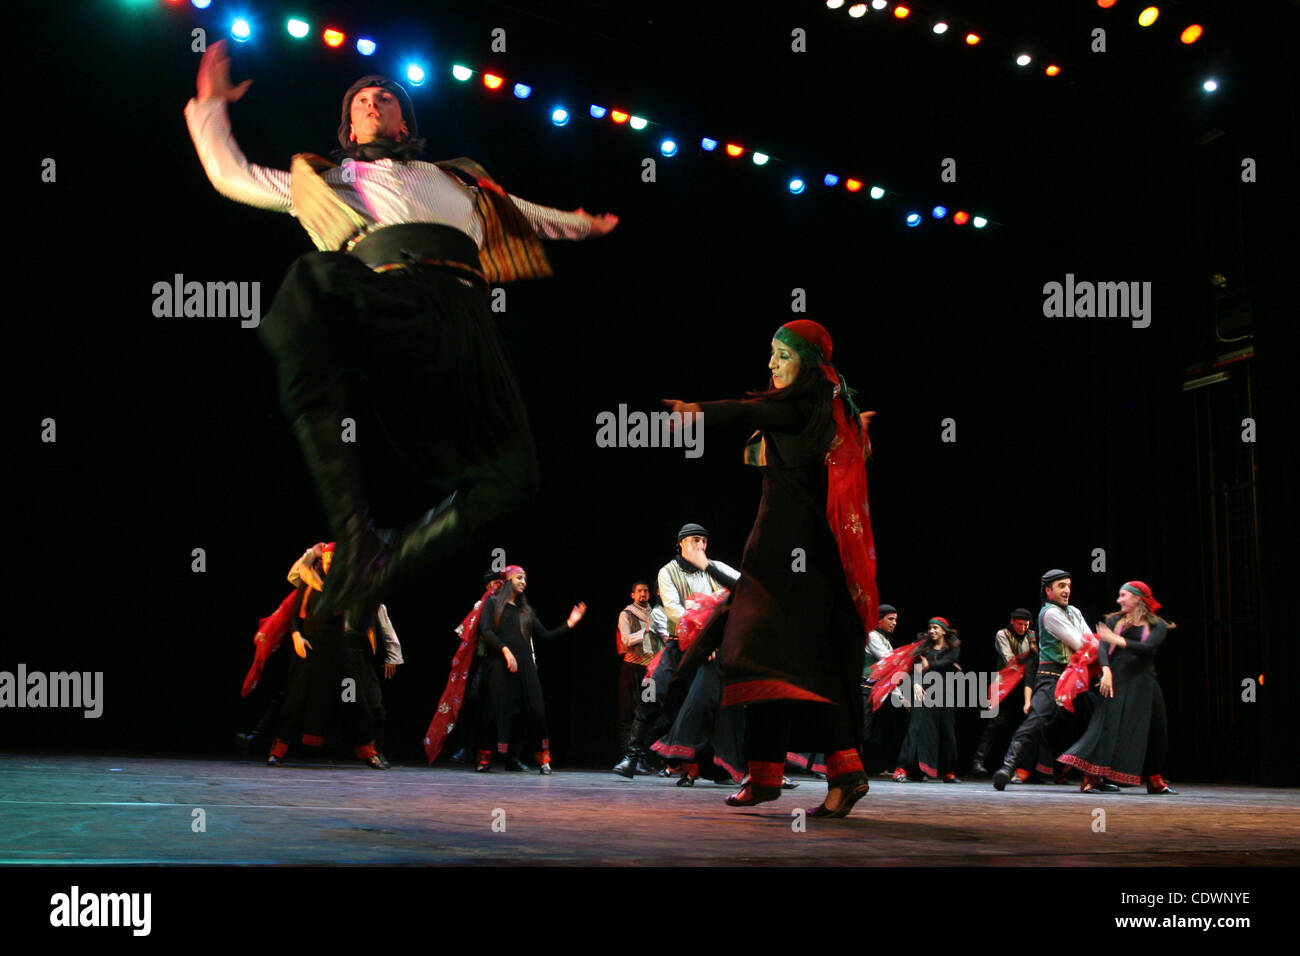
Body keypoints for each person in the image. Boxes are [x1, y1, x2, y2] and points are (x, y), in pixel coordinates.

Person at [185, 43, 618, 635]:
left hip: (464, 320)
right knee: (313, 282)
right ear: (349, 127)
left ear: (403, 123)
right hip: (388, 301)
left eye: (383, 98)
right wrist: (210, 107)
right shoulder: (327, 181)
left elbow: (527, 214)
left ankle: (381, 565)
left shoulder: (457, 179)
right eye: (360, 101)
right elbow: (232, 175)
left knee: (514, 478)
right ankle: (353, 529)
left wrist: (583, 226)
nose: (372, 103)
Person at [664, 319, 879, 818]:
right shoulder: (827, 408)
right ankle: (768, 774)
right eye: (772, 353)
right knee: (775, 664)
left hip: (787, 559)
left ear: (809, 361)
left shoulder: (801, 407)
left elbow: (747, 410)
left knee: (778, 660)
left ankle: (835, 775)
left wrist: (698, 411)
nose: (772, 364)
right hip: (791, 556)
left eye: (783, 355)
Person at [611, 525, 738, 778]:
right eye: (695, 540)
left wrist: (709, 642)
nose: (700, 545)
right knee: (652, 694)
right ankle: (633, 756)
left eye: (704, 541)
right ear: (681, 543)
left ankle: (725, 767)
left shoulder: (715, 568)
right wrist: (701, 639)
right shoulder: (667, 572)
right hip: (679, 645)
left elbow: (744, 586)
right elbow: (674, 610)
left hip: (712, 650)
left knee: (718, 703)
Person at [992, 570, 1111, 790]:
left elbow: (1091, 643)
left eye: (1068, 585)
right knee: (1036, 721)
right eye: (1061, 586)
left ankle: (1094, 777)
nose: (1067, 590)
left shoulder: (1074, 611)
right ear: (1048, 590)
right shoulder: (1049, 614)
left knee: (1098, 717)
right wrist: (1098, 645)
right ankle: (1007, 768)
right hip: (1052, 676)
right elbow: (1081, 643)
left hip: (1075, 675)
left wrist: (1098, 649)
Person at [1058, 582, 1177, 794]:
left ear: (1137, 598)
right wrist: (1106, 671)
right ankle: (1091, 779)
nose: (1118, 600)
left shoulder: (1157, 624)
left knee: (1156, 729)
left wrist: (1118, 640)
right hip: (1117, 679)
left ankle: (1155, 780)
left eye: (1123, 595)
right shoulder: (1114, 621)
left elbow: (1148, 648)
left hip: (1145, 681)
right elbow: (1103, 648)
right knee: (1108, 726)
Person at [475, 566, 586, 774]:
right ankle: (484, 758)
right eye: (519, 577)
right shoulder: (492, 603)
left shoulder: (526, 611)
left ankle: (540, 759)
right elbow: (486, 631)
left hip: (525, 665)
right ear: (508, 580)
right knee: (495, 710)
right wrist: (505, 650)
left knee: (536, 710)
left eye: (525, 578)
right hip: (499, 663)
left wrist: (570, 623)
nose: (523, 582)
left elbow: (546, 635)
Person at [892, 618, 963, 783]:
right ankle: (902, 769)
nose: (932, 631)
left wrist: (928, 664)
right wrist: (915, 684)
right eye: (930, 628)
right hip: (923, 691)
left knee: (947, 732)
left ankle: (948, 772)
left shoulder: (953, 648)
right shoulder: (923, 648)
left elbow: (947, 662)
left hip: (945, 694)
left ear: (944, 631)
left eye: (936, 628)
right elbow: (915, 668)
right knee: (915, 729)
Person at [969, 608, 1035, 777]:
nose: (1022, 628)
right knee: (995, 723)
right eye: (1019, 624)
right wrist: (1031, 653)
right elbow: (1010, 660)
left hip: (1024, 685)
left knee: (1023, 725)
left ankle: (1020, 768)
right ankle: (978, 761)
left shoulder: (1032, 635)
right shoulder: (1002, 634)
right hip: (1004, 683)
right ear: (1012, 621)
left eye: (1026, 625)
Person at [616, 582, 660, 758]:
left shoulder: (656, 613)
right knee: (629, 712)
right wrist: (645, 630)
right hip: (632, 669)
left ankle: (644, 758)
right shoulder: (626, 614)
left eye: (646, 591)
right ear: (632, 595)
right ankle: (627, 756)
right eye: (639, 591)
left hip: (650, 671)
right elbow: (625, 640)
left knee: (649, 711)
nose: (643, 594)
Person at [861, 603, 900, 772]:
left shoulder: (886, 641)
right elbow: (888, 661)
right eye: (890, 619)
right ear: (878, 620)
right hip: (863, 687)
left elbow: (888, 673)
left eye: (895, 620)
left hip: (873, 691)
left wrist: (899, 695)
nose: (894, 623)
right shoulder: (872, 636)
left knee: (868, 729)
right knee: (861, 728)